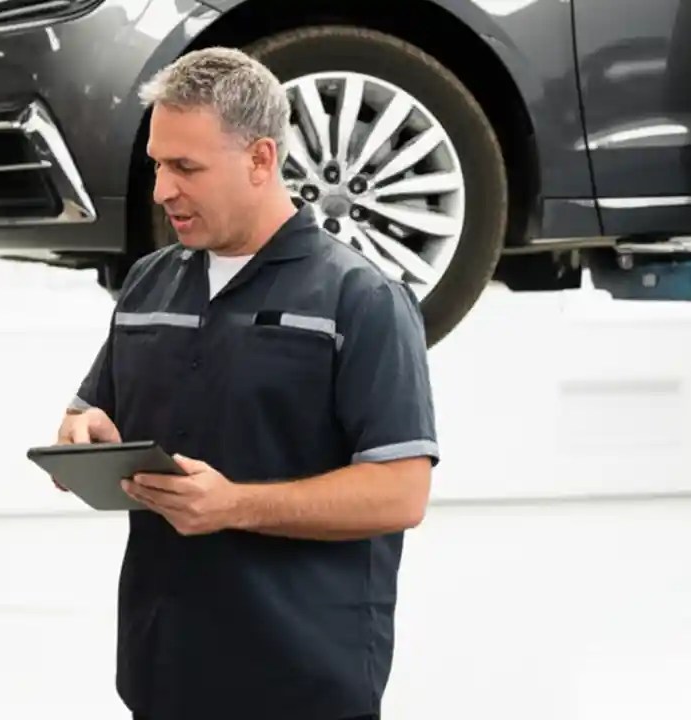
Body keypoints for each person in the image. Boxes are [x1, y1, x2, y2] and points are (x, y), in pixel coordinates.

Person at [56, 48, 438, 720]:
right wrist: (80, 436)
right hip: (162, 677)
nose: (161, 190)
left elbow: (401, 491)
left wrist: (235, 505)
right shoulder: (148, 284)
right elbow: (91, 412)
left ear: (262, 160)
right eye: (157, 164)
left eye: (186, 168)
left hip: (300, 686)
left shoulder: (361, 300)